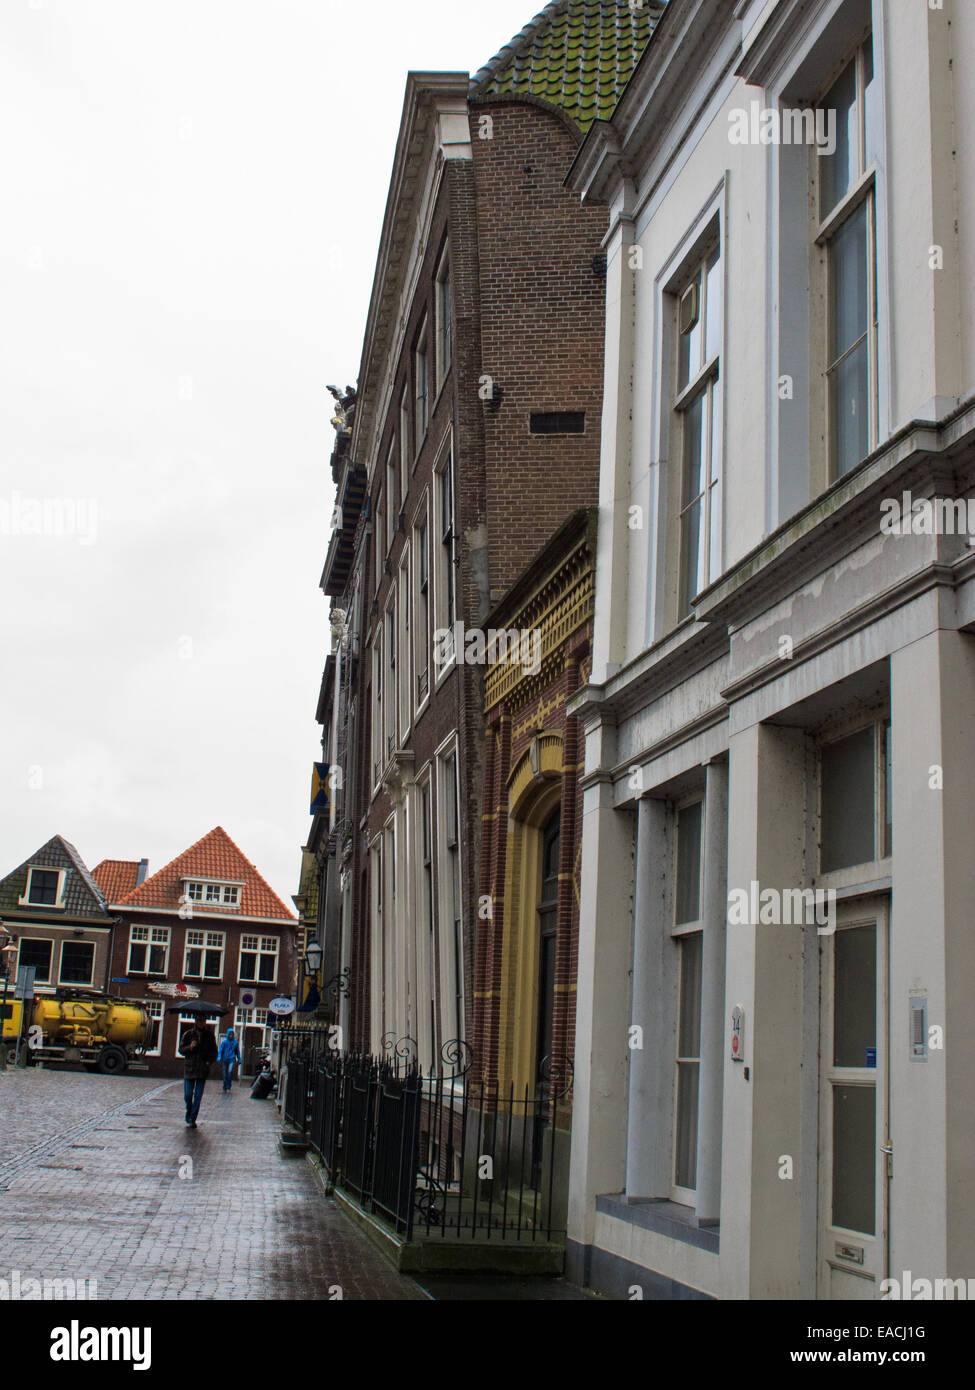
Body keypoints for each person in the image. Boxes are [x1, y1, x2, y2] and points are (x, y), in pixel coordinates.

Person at [179, 1017, 218, 1126]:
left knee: (198, 1096)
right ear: (196, 1021)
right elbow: (181, 1050)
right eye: (199, 1020)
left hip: (202, 1070)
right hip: (189, 1068)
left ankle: (192, 1118)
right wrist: (189, 1047)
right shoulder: (188, 1034)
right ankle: (189, 1110)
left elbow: (214, 1052)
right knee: (187, 1094)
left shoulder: (209, 1036)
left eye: (203, 1021)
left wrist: (209, 1062)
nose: (201, 1023)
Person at [217, 1028, 241, 1092]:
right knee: (225, 1074)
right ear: (228, 1034)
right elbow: (220, 1050)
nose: (231, 1035)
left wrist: (239, 1059)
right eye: (230, 1034)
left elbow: (237, 1051)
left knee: (230, 1072)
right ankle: (224, 1086)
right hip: (225, 1059)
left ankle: (229, 1086)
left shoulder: (235, 1042)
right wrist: (219, 1057)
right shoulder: (224, 1042)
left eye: (232, 1034)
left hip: (232, 1059)